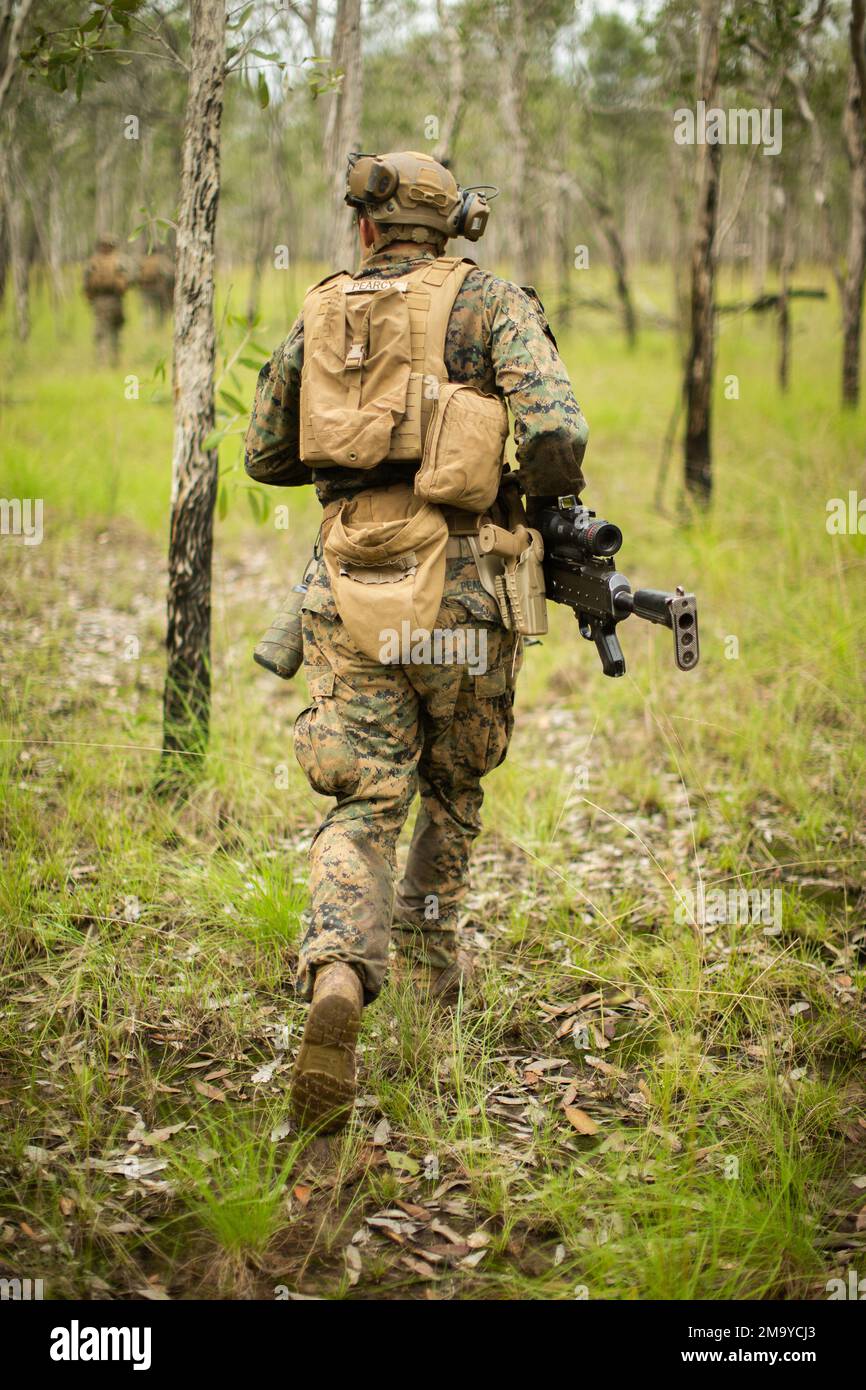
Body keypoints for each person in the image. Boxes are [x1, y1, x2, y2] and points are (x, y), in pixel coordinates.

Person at [244, 150, 589, 1132]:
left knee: (364, 798)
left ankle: (338, 976)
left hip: (351, 582)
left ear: (366, 226)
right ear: (451, 226)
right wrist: (537, 501)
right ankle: (434, 973)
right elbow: (556, 430)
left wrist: (360, 459)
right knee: (453, 784)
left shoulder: (321, 308)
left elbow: (265, 452)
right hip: (466, 587)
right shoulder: (490, 302)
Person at [83, 235, 129, 365]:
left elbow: (86, 283)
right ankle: (115, 359)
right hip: (115, 300)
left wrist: (90, 299)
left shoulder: (92, 263)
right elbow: (128, 279)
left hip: (99, 301)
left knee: (101, 331)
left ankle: (101, 360)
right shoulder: (119, 261)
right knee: (115, 331)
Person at [137, 247, 174, 325]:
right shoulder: (159, 259)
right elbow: (168, 272)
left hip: (145, 288)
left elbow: (137, 275)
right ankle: (161, 324)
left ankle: (147, 324)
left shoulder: (142, 260)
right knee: (161, 307)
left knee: (147, 308)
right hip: (157, 287)